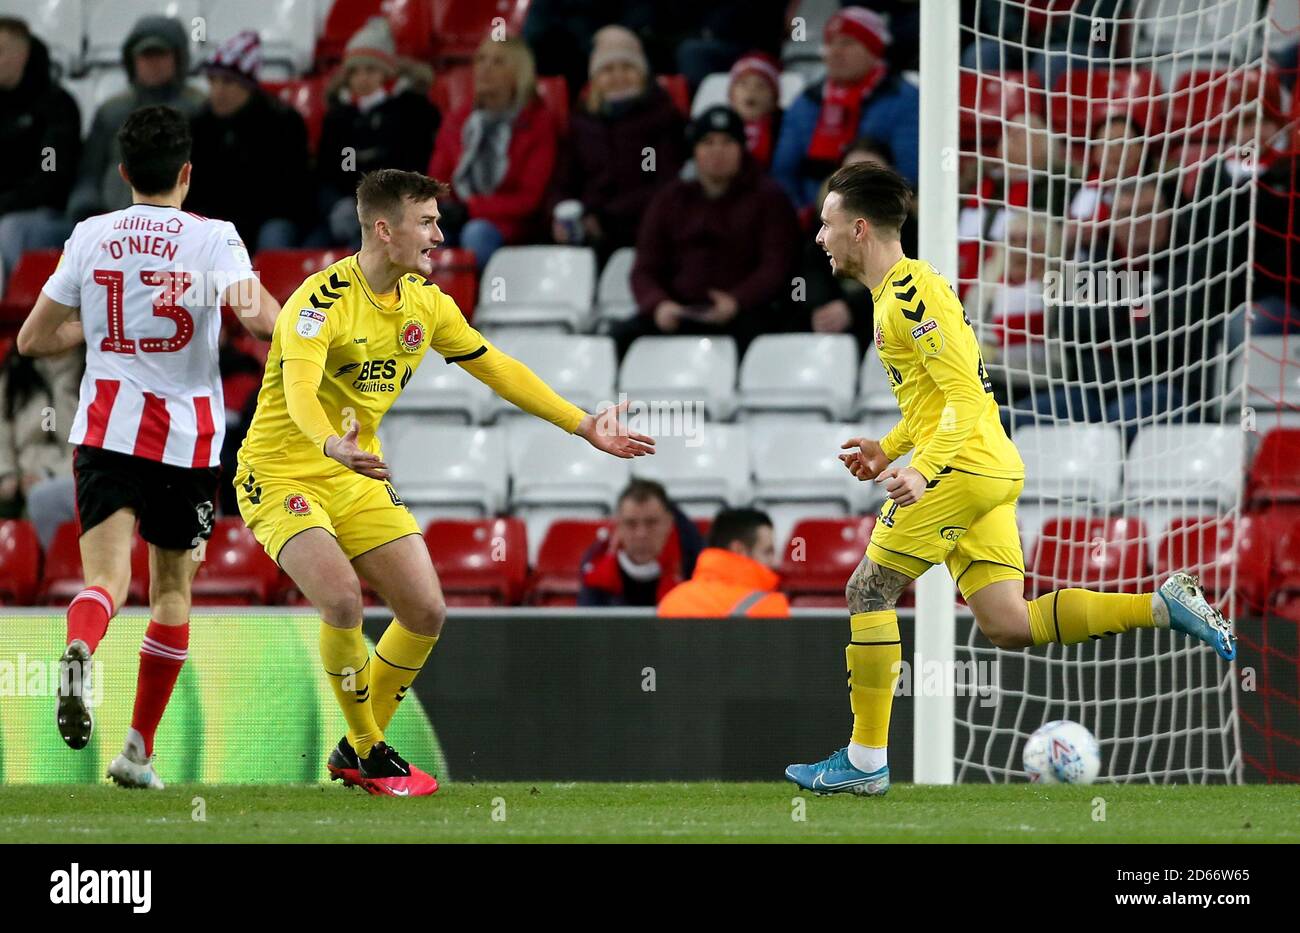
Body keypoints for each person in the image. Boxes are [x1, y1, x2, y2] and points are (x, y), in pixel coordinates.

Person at [783, 162, 1236, 797]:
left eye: (828, 225)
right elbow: (936, 400)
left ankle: (864, 763)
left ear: (859, 228)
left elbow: (966, 399)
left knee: (867, 592)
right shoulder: (900, 294)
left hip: (961, 469)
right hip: (985, 467)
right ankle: (1162, 606)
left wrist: (921, 468)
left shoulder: (909, 297)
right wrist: (887, 448)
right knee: (1007, 623)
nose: (820, 239)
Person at [233, 168, 655, 797]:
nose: (440, 234)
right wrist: (328, 443)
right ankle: (372, 753)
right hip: (281, 470)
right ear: (385, 228)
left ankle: (355, 743)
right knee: (343, 600)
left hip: (356, 474)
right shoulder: (317, 303)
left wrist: (582, 423)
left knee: (425, 610)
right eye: (426, 221)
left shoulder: (425, 303)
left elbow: (497, 368)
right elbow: (296, 389)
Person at [18, 105, 280, 789]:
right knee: (170, 591)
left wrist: (88, 333)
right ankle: (136, 750)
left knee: (105, 581)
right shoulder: (214, 236)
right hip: (187, 441)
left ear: (124, 171)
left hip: (105, 432)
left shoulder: (90, 233)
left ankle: (81, 643)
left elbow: (30, 340)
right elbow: (255, 314)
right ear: (187, 173)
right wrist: (303, 337)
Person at [620, 105, 800, 358]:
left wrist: (737, 301)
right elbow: (645, 269)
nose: (718, 151)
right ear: (694, 150)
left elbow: (776, 267)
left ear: (741, 149)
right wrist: (658, 304)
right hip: (678, 310)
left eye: (727, 142)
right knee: (618, 338)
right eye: (708, 142)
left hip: (744, 313)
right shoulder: (669, 199)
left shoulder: (769, 198)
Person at [551, 26, 686, 260]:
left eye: (627, 67)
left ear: (643, 73)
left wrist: (604, 218)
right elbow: (563, 183)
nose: (618, 76)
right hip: (587, 230)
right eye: (608, 69)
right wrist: (560, 214)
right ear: (595, 78)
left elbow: (658, 183)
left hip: (641, 231)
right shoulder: (581, 123)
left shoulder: (659, 121)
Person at [428, 36, 559, 268]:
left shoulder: (537, 121)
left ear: (519, 73)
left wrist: (472, 208)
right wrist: (444, 208)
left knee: (476, 234)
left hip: (513, 224)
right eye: (481, 60)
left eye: (498, 62)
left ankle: (477, 302)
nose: (485, 68)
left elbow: (529, 199)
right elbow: (437, 179)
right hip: (458, 217)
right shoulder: (459, 118)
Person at [771, 7, 920, 211]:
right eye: (830, 43)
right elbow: (783, 172)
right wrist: (801, 214)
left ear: (873, 49)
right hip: (811, 218)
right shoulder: (807, 101)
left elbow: (909, 173)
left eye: (847, 43)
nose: (836, 52)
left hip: (878, 213)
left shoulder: (904, 98)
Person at [312, 17, 439, 249]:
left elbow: (414, 167)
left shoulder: (409, 111)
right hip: (343, 211)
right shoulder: (338, 118)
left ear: (386, 73)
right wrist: (336, 205)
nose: (362, 78)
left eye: (370, 69)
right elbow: (325, 173)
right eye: (355, 71)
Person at [66, 16, 204, 224]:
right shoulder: (111, 111)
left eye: (160, 55)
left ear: (178, 58)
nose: (152, 63)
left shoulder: (199, 110)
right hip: (110, 224)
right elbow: (89, 173)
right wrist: (86, 211)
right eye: (145, 55)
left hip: (180, 226)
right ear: (132, 61)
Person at [186, 31, 311, 252]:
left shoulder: (283, 122)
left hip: (268, 219)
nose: (218, 91)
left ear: (248, 86)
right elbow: (192, 188)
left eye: (228, 82)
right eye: (213, 81)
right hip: (214, 221)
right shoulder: (198, 125)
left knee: (273, 236)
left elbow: (291, 192)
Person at [0, 17, 81, 287]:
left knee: (10, 231)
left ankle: (15, 316)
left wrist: (7, 203)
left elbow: (50, 174)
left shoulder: (55, 107)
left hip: (46, 215)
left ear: (22, 54)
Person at [578, 479, 704, 607]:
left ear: (669, 523)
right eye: (631, 523)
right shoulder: (595, 565)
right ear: (617, 525)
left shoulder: (697, 564)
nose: (641, 534)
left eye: (651, 522)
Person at [657, 508, 790, 617]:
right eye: (768, 552)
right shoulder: (771, 606)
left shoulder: (672, 601)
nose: (774, 562)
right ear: (739, 550)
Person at [0, 343, 81, 517]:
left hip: (79, 473)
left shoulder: (91, 366)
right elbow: (3, 430)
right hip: (27, 475)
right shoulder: (15, 369)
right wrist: (8, 474)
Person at [727, 52, 782, 170]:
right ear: (731, 96)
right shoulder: (720, 128)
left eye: (761, 86)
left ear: (774, 98)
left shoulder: (783, 129)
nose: (751, 91)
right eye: (743, 84)